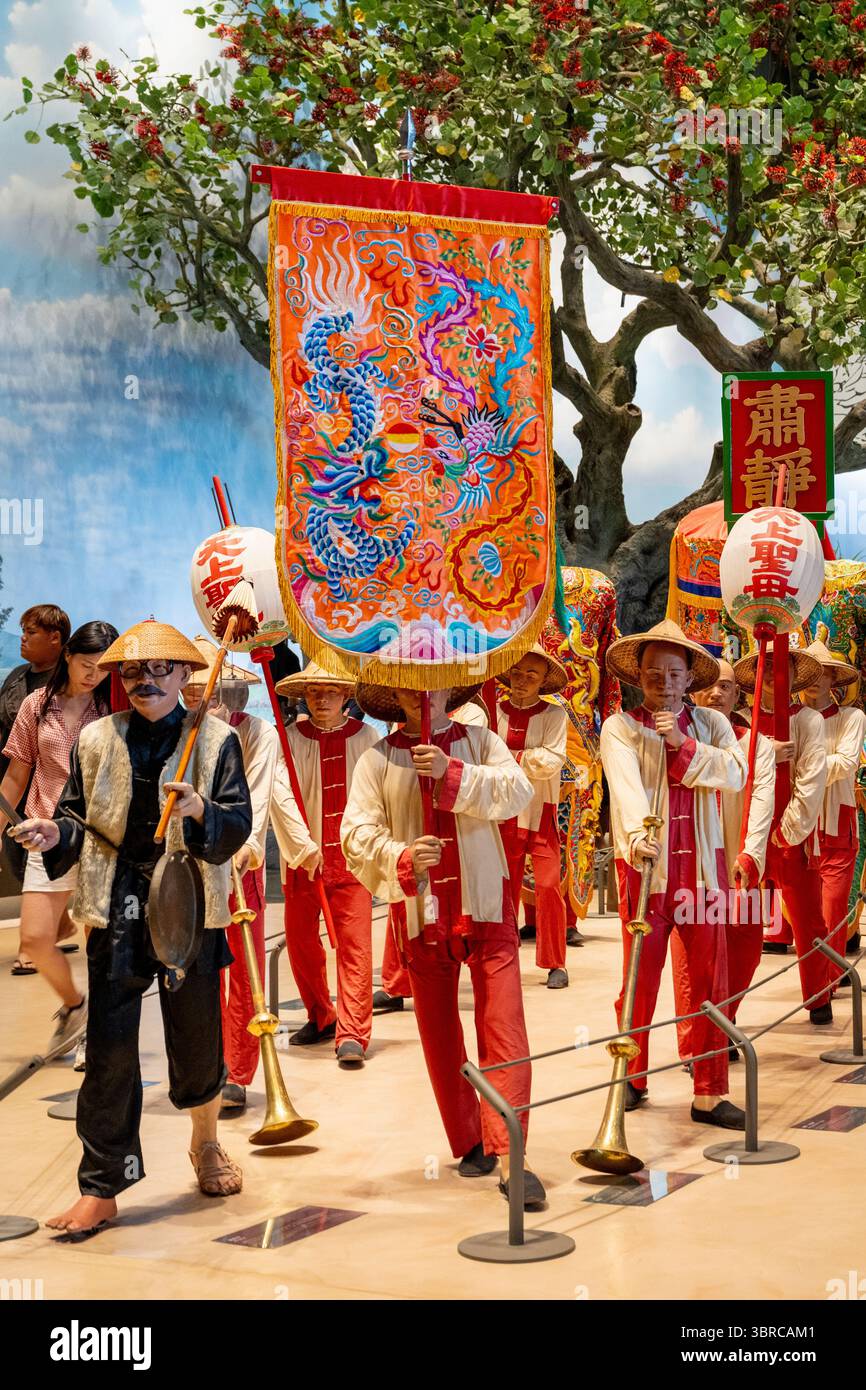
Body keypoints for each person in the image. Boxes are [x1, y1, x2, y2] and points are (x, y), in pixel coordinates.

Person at [11, 621, 252, 1237]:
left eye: (158, 670)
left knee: (196, 1042)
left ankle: (204, 1143)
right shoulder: (95, 739)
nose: (144, 682)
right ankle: (102, 1186)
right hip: (114, 898)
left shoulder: (216, 740)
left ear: (183, 675)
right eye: (133, 673)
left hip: (188, 901)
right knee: (110, 1051)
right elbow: (76, 820)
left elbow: (237, 824)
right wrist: (52, 834)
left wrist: (201, 809)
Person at [342, 682, 547, 1208]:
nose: (424, 699)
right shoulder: (377, 759)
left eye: (434, 691)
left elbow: (518, 791)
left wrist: (454, 775)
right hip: (419, 915)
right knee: (438, 1035)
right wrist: (402, 855)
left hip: (487, 905)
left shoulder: (480, 741)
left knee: (504, 1026)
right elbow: (356, 834)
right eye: (412, 692)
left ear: (450, 691)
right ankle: (470, 1139)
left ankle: (511, 1155)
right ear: (396, 697)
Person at [601, 619, 748, 1130]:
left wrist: (681, 746)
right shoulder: (620, 726)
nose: (663, 682)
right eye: (653, 672)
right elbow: (625, 788)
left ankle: (709, 1093)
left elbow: (735, 773)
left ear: (690, 679)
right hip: (646, 869)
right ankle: (630, 1078)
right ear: (638, 676)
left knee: (711, 979)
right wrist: (639, 835)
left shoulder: (712, 725)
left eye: (673, 673)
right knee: (639, 979)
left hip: (705, 871)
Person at [181, 641, 315, 1114]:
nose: (204, 700)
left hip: (237, 860)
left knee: (242, 968)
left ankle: (238, 1070)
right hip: (188, 865)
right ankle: (206, 1065)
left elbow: (259, 794)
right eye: (194, 692)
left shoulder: (258, 733)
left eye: (214, 692)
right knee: (194, 969)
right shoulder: (178, 733)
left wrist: (248, 845)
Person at [1, 622, 118, 1048]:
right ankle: (74, 1006)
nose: (93, 675)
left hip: (97, 838)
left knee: (97, 944)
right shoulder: (37, 704)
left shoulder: (112, 710)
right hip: (43, 834)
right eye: (86, 665)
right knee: (33, 939)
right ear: (67, 655)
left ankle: (98, 1038)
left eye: (103, 669)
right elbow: (16, 774)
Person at [274, 662, 379, 1067]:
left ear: (346, 696)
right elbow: (279, 794)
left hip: (353, 858)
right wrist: (303, 847)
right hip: (303, 859)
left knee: (355, 945)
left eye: (331, 692)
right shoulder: (290, 740)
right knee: (301, 944)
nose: (322, 700)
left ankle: (352, 1032)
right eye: (314, 692)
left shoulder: (368, 738)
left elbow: (375, 796)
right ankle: (320, 1014)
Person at [672, 659, 775, 1061]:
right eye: (711, 685)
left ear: (738, 695)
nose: (718, 693)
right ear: (695, 689)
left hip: (739, 861)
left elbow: (763, 797)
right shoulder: (676, 736)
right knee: (691, 960)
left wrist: (751, 853)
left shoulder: (756, 744)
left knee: (746, 949)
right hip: (689, 865)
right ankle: (694, 1045)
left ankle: (719, 1026)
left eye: (727, 686)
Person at [732, 646, 833, 1021]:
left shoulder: (808, 720)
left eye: (784, 668)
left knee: (810, 921)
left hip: (792, 836)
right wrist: (763, 754)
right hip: (747, 834)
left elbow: (812, 778)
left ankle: (819, 997)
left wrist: (788, 830)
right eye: (768, 667)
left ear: (795, 676)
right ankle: (727, 1013)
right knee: (740, 925)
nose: (776, 675)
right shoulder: (741, 721)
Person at [496, 645, 570, 988]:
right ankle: (502, 955)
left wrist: (508, 759)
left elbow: (552, 760)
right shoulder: (494, 712)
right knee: (504, 888)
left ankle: (556, 962)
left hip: (542, 812)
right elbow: (485, 762)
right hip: (503, 815)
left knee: (548, 884)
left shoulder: (555, 716)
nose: (522, 680)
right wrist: (523, 760)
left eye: (531, 674)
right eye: (517, 672)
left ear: (543, 681)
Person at [0, 604, 71, 958]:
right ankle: (57, 928)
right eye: (23, 631)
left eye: (31, 632)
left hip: (56, 788)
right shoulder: (15, 678)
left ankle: (36, 943)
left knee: (45, 858)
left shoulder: (70, 681)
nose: (23, 639)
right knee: (16, 854)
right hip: (14, 780)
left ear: (55, 638)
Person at [800, 640, 866, 989]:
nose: (815, 680)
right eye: (809, 673)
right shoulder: (794, 719)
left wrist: (802, 766)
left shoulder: (852, 718)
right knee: (806, 914)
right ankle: (815, 981)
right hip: (802, 827)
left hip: (838, 824)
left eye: (823, 674)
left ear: (833, 680)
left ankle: (826, 982)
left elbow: (846, 764)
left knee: (833, 906)